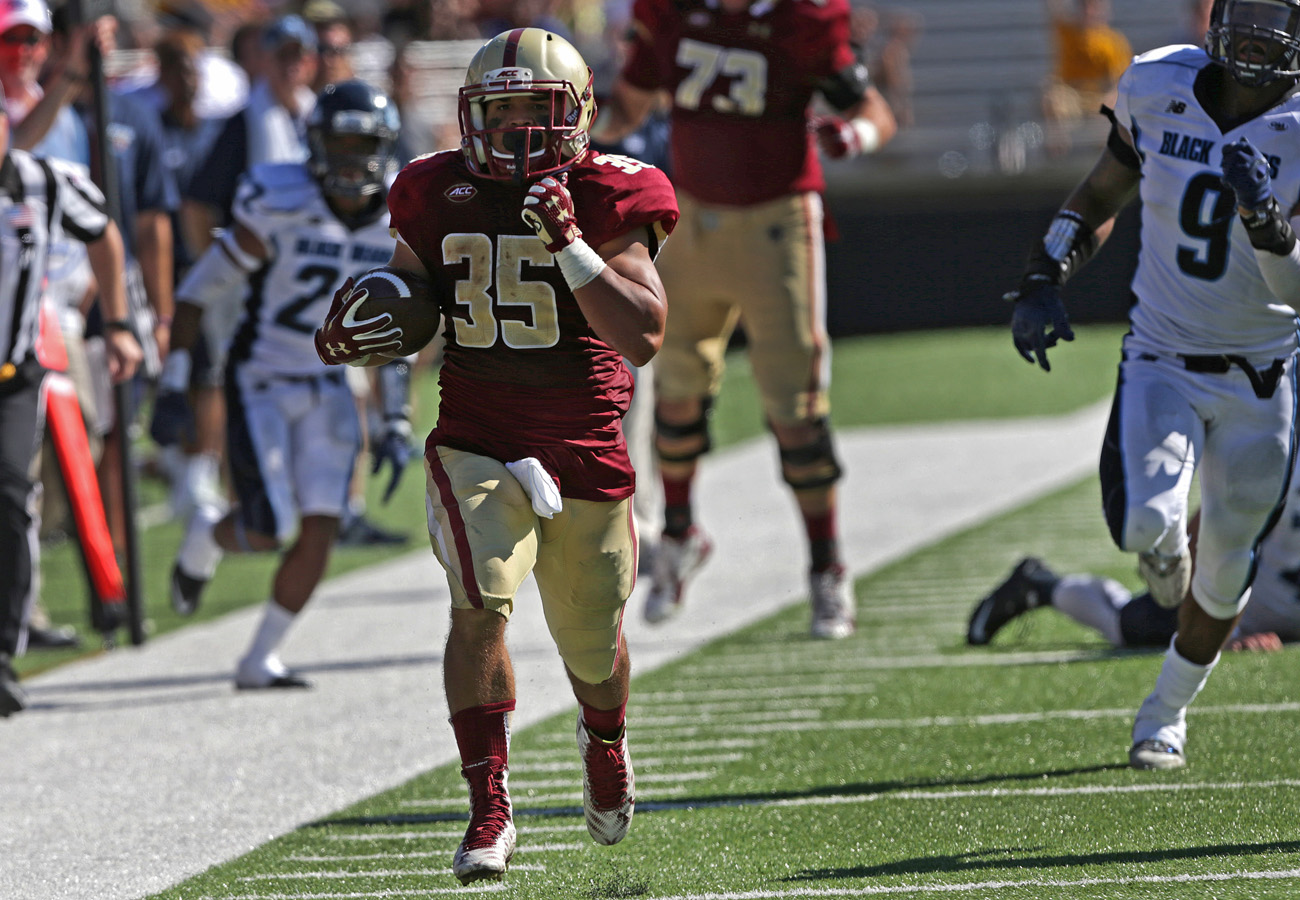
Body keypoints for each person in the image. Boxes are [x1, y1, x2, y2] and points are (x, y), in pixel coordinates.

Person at [314, 28, 677, 884]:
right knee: (480, 601)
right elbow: (411, 295)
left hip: (584, 439)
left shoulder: (614, 191)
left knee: (592, 641)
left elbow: (646, 335)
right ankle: (489, 806)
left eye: (535, 111)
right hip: (476, 430)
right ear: (472, 115)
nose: (516, 129)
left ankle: (605, 740)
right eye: (500, 109)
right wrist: (365, 327)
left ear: (580, 115)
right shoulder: (433, 189)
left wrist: (572, 245)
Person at [1005, 0, 1300, 771]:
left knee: (1229, 568)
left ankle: (1164, 712)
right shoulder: (1157, 83)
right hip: (1163, 353)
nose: (1258, 34)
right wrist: (1045, 273)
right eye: (1249, 14)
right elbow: (1104, 191)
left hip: (1265, 375)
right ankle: (1161, 552)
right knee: (1145, 529)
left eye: (1279, 18)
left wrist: (1269, 224)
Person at [590, 0, 897, 638]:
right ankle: (678, 535)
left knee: (796, 407)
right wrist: (569, 127)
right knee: (675, 390)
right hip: (692, 216)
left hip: (778, 222)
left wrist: (852, 136)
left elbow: (874, 113)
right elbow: (629, 107)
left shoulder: (802, 20)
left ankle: (826, 566)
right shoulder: (674, 15)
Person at [166, 80, 412, 691]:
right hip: (263, 377)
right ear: (315, 145)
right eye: (341, 142)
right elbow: (198, 291)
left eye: (365, 144)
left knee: (322, 524)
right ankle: (207, 534)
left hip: (331, 384)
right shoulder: (278, 199)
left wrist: (396, 419)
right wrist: (174, 381)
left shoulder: (401, 215)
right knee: (267, 526)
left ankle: (260, 658)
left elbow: (400, 323)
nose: (353, 158)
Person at [0, 98, 143, 715]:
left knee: (11, 496)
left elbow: (104, 230)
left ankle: (4, 650)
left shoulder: (42, 180)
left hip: (14, 369)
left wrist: (116, 322)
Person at [1041, 0, 1133, 156]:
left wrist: (1110, 99)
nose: (1090, 12)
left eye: (1094, 8)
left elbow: (1121, 82)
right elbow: (1054, 7)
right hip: (1072, 93)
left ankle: (1105, 157)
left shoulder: (1113, 41)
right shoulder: (1068, 33)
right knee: (1053, 98)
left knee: (1114, 107)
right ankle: (1058, 152)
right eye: (1086, 8)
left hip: (1098, 95)